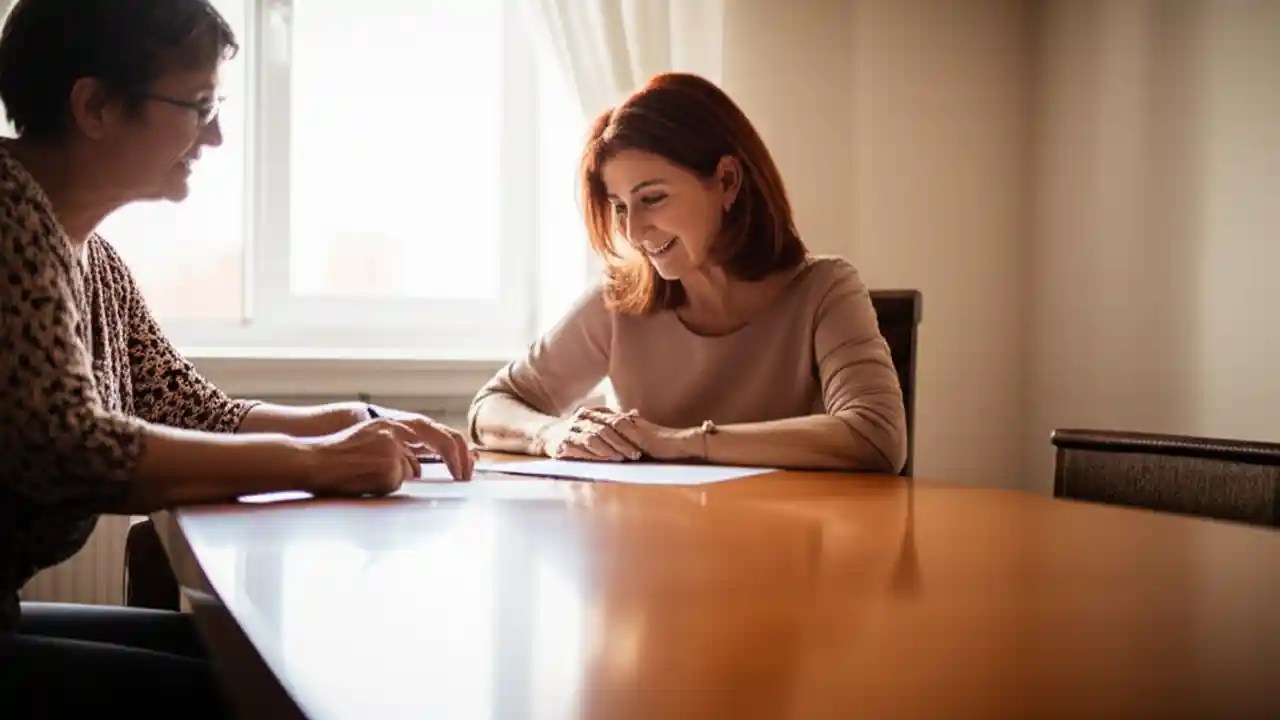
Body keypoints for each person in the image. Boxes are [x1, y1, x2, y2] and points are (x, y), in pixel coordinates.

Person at [0, 1, 472, 714]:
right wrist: (315, 464)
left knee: (246, 661)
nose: (215, 135)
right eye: (197, 105)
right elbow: (72, 450)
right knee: (254, 696)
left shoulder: (88, 254)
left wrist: (359, 421)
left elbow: (194, 412)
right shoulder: (8, 221)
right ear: (93, 105)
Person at [468, 73, 907, 473]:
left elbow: (876, 435)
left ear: (728, 182)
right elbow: (493, 405)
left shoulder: (825, 290)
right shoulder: (618, 300)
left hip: (781, 547)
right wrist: (552, 434)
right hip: (651, 549)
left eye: (653, 198)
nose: (633, 230)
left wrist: (679, 442)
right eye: (620, 206)